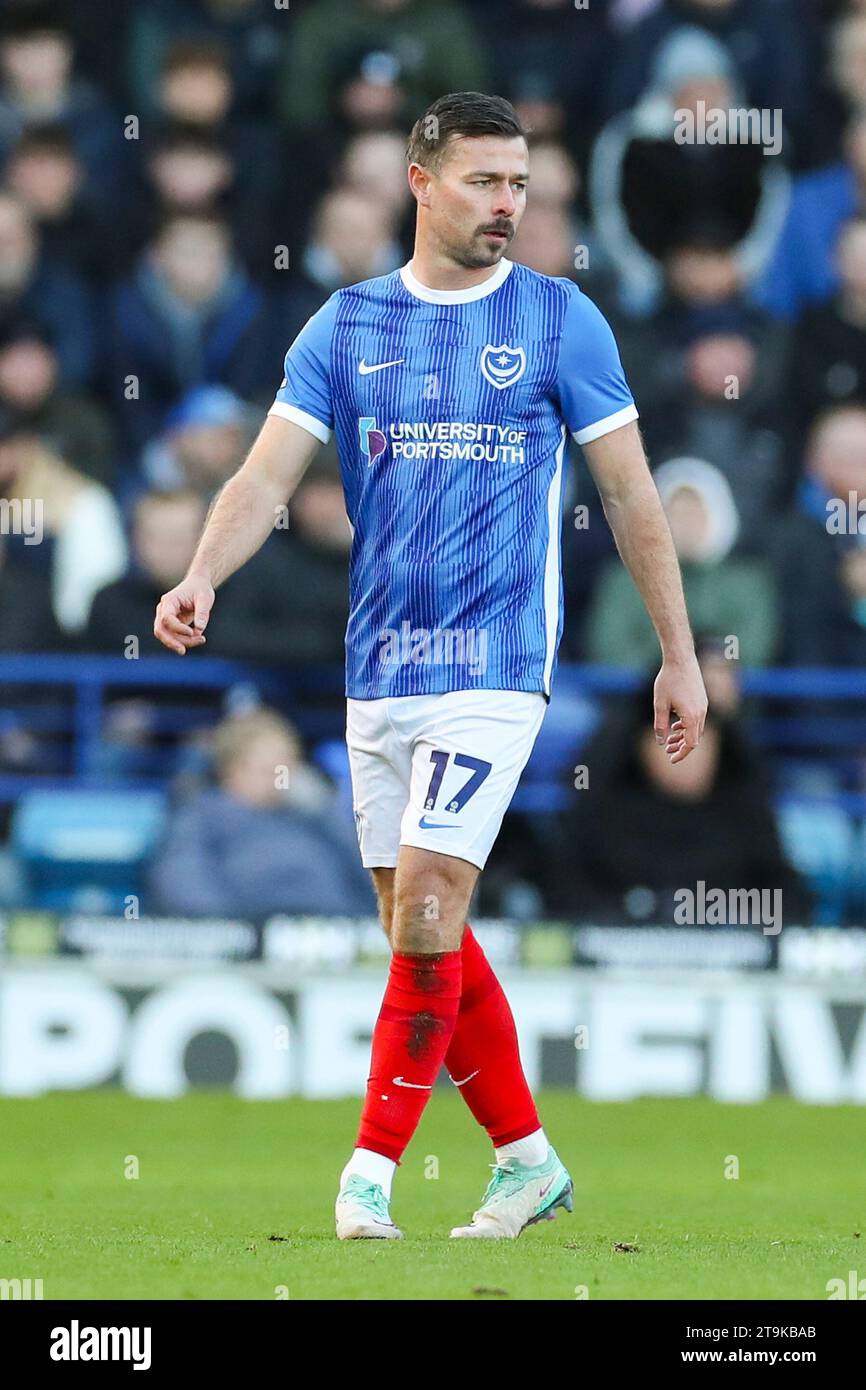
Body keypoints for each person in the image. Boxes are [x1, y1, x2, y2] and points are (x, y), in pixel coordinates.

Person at [153, 92, 707, 1242]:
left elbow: (629, 495)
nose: (508, 203)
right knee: (423, 931)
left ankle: (367, 1173)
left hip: (497, 664)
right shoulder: (345, 327)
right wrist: (204, 571)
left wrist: (677, 655)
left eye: (519, 183)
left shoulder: (563, 323)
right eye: (483, 181)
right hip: (380, 669)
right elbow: (262, 479)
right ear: (419, 180)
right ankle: (527, 1160)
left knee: (425, 911)